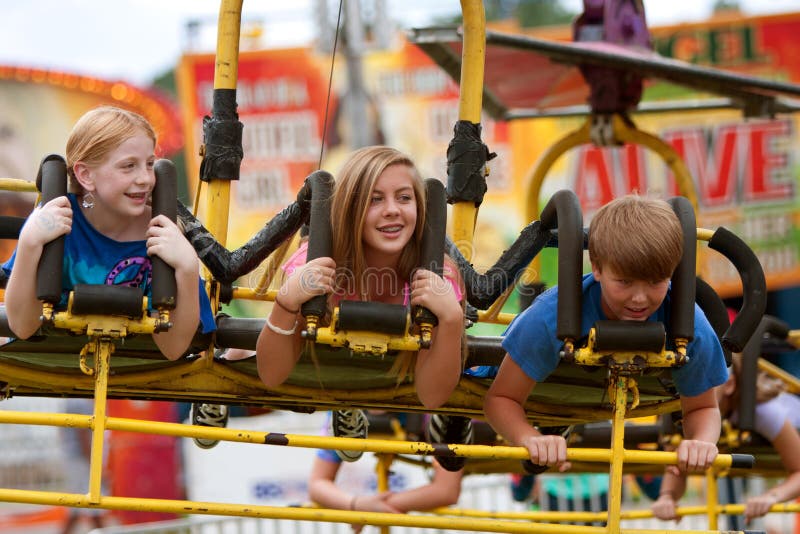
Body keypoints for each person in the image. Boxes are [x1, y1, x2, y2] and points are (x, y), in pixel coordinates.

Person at [484, 195, 728, 477]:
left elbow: (704, 408)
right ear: (597, 268)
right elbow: (500, 398)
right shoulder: (551, 315)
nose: (640, 298)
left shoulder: (688, 324)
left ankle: (555, 424)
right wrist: (529, 437)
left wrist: (700, 442)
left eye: (656, 282)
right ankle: (542, 424)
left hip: (588, 390)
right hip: (524, 382)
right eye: (624, 282)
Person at [255, 146, 467, 464]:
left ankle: (372, 407)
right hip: (323, 368)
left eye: (404, 198)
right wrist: (285, 302)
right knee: (241, 350)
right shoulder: (314, 263)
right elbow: (271, 375)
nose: (393, 210)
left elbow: (431, 396)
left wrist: (450, 318)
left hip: (401, 382)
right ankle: (347, 402)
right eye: (375, 199)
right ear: (351, 208)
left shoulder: (437, 276)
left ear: (420, 208)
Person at [1, 106, 215, 360]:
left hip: (132, 365)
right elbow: (22, 326)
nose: (145, 179)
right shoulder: (54, 219)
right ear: (85, 175)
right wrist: (28, 242)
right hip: (54, 357)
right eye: (129, 166)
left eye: (149, 164)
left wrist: (188, 268)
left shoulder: (163, 234)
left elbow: (173, 348)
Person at [652, 356, 800, 524]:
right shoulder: (679, 410)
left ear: (729, 385)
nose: (692, 388)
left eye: (705, 381)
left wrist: (771, 496)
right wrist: (667, 497)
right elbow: (676, 466)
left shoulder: (764, 412)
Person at [308, 411, 463, 534]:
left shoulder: (435, 406)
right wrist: (359, 505)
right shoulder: (342, 411)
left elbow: (446, 490)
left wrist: (366, 508)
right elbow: (316, 484)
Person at [60, 398, 109, 534]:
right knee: (93, 503)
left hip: (78, 459)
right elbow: (83, 437)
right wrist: (95, 464)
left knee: (77, 507)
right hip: (83, 460)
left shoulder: (74, 401)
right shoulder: (80, 402)